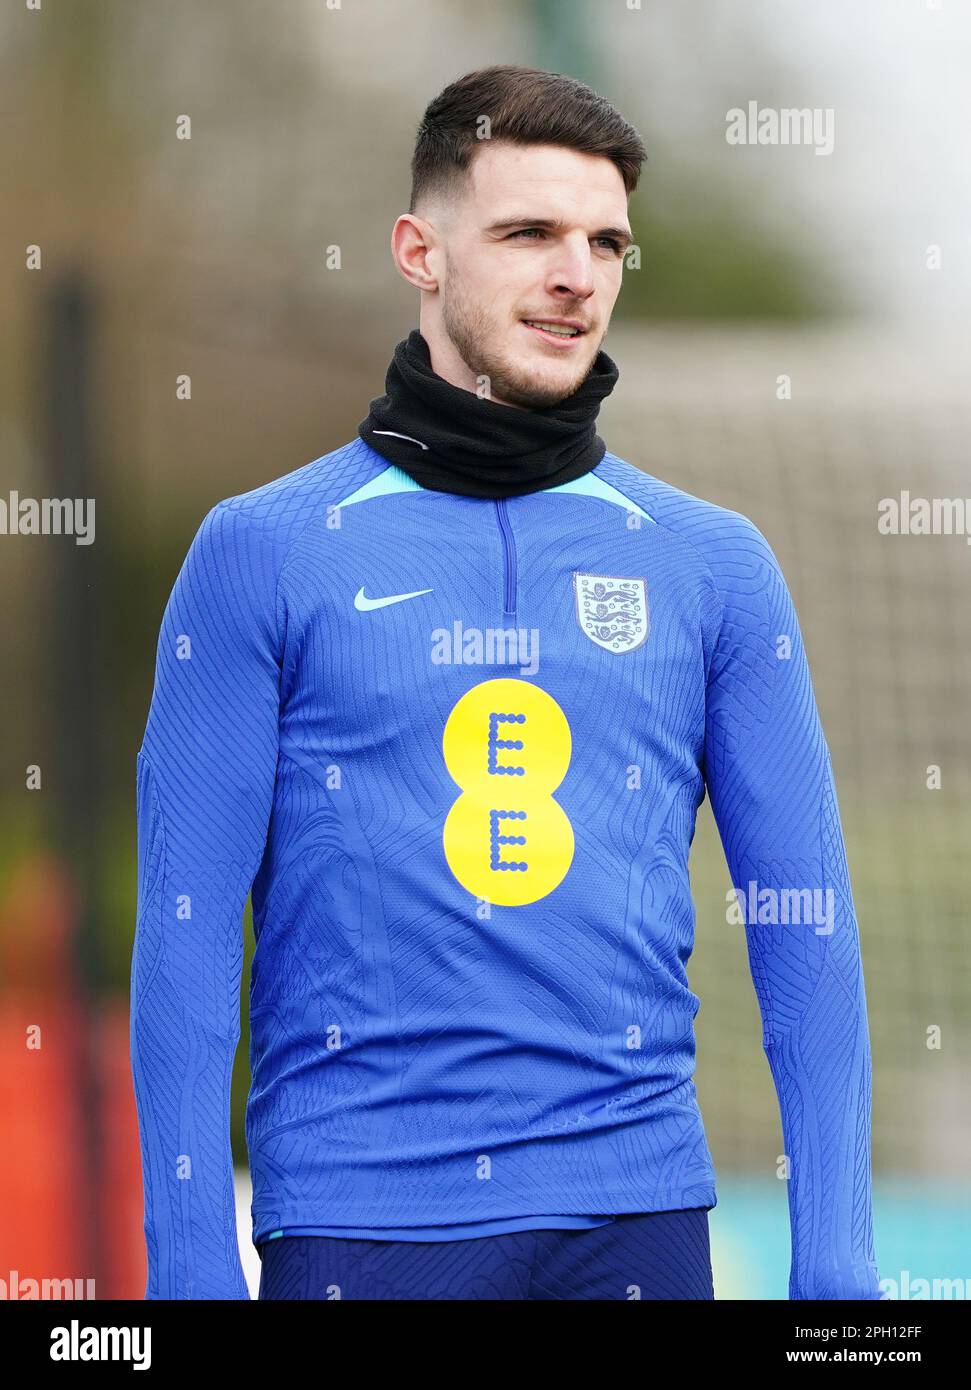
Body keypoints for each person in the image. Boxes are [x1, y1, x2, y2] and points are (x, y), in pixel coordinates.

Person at [130, 64, 880, 1301]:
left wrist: (839, 1278)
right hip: (362, 1225)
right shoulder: (261, 550)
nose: (574, 274)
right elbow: (184, 936)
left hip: (635, 1218)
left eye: (604, 242)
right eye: (527, 232)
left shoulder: (713, 566)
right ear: (418, 251)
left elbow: (807, 928)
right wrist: (189, 1276)